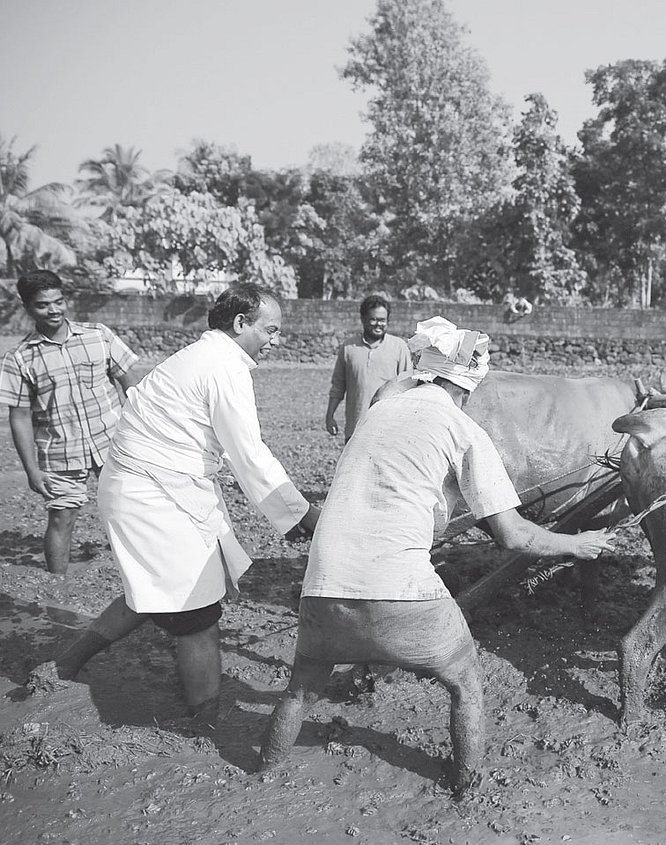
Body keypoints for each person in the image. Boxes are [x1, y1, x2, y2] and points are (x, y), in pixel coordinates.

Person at [256, 316, 614, 796]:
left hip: (322, 587)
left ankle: (264, 773)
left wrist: (425, 370)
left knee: (300, 689)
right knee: (465, 680)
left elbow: (389, 387)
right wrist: (578, 544)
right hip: (401, 591)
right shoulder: (464, 431)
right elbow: (513, 537)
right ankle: (467, 789)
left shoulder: (378, 411)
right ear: (471, 382)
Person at [30, 284, 321, 725]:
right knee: (197, 613)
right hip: (152, 493)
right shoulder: (224, 366)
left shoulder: (203, 357)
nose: (275, 340)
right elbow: (248, 453)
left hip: (150, 487)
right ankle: (206, 722)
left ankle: (67, 663)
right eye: (272, 330)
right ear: (242, 323)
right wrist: (303, 514)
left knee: (151, 587)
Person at [0, 270, 139, 574]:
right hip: (60, 451)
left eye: (58, 301)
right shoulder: (20, 358)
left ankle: (141, 572)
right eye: (42, 305)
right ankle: (57, 585)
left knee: (130, 509)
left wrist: (142, 432)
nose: (53, 310)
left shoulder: (98, 335)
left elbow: (129, 383)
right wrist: (31, 470)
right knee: (62, 518)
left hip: (112, 442)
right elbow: (20, 416)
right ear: (27, 308)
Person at [324, 294, 412, 442]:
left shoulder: (399, 347)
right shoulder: (349, 348)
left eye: (382, 320)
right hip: (356, 430)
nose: (378, 324)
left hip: (388, 431)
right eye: (374, 319)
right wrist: (330, 415)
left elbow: (408, 387)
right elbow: (338, 387)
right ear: (363, 319)